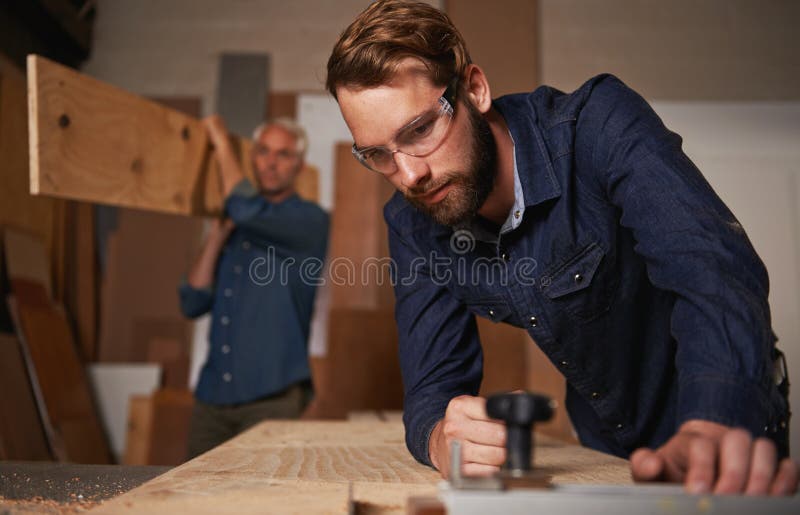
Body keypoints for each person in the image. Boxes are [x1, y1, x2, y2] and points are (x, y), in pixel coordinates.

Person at [325, 0, 797, 496]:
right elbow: (432, 386)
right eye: (378, 154)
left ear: (475, 89)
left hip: (721, 422)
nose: (410, 175)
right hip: (601, 447)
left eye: (420, 130)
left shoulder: (598, 126)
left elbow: (712, 271)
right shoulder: (411, 221)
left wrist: (712, 423)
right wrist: (441, 437)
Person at [178, 116, 329, 458]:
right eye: (263, 151)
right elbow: (192, 302)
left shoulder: (309, 221)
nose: (271, 163)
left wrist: (219, 138)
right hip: (212, 397)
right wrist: (217, 234)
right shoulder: (238, 223)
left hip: (271, 397)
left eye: (284, 154)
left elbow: (246, 210)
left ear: (300, 166)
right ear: (253, 157)